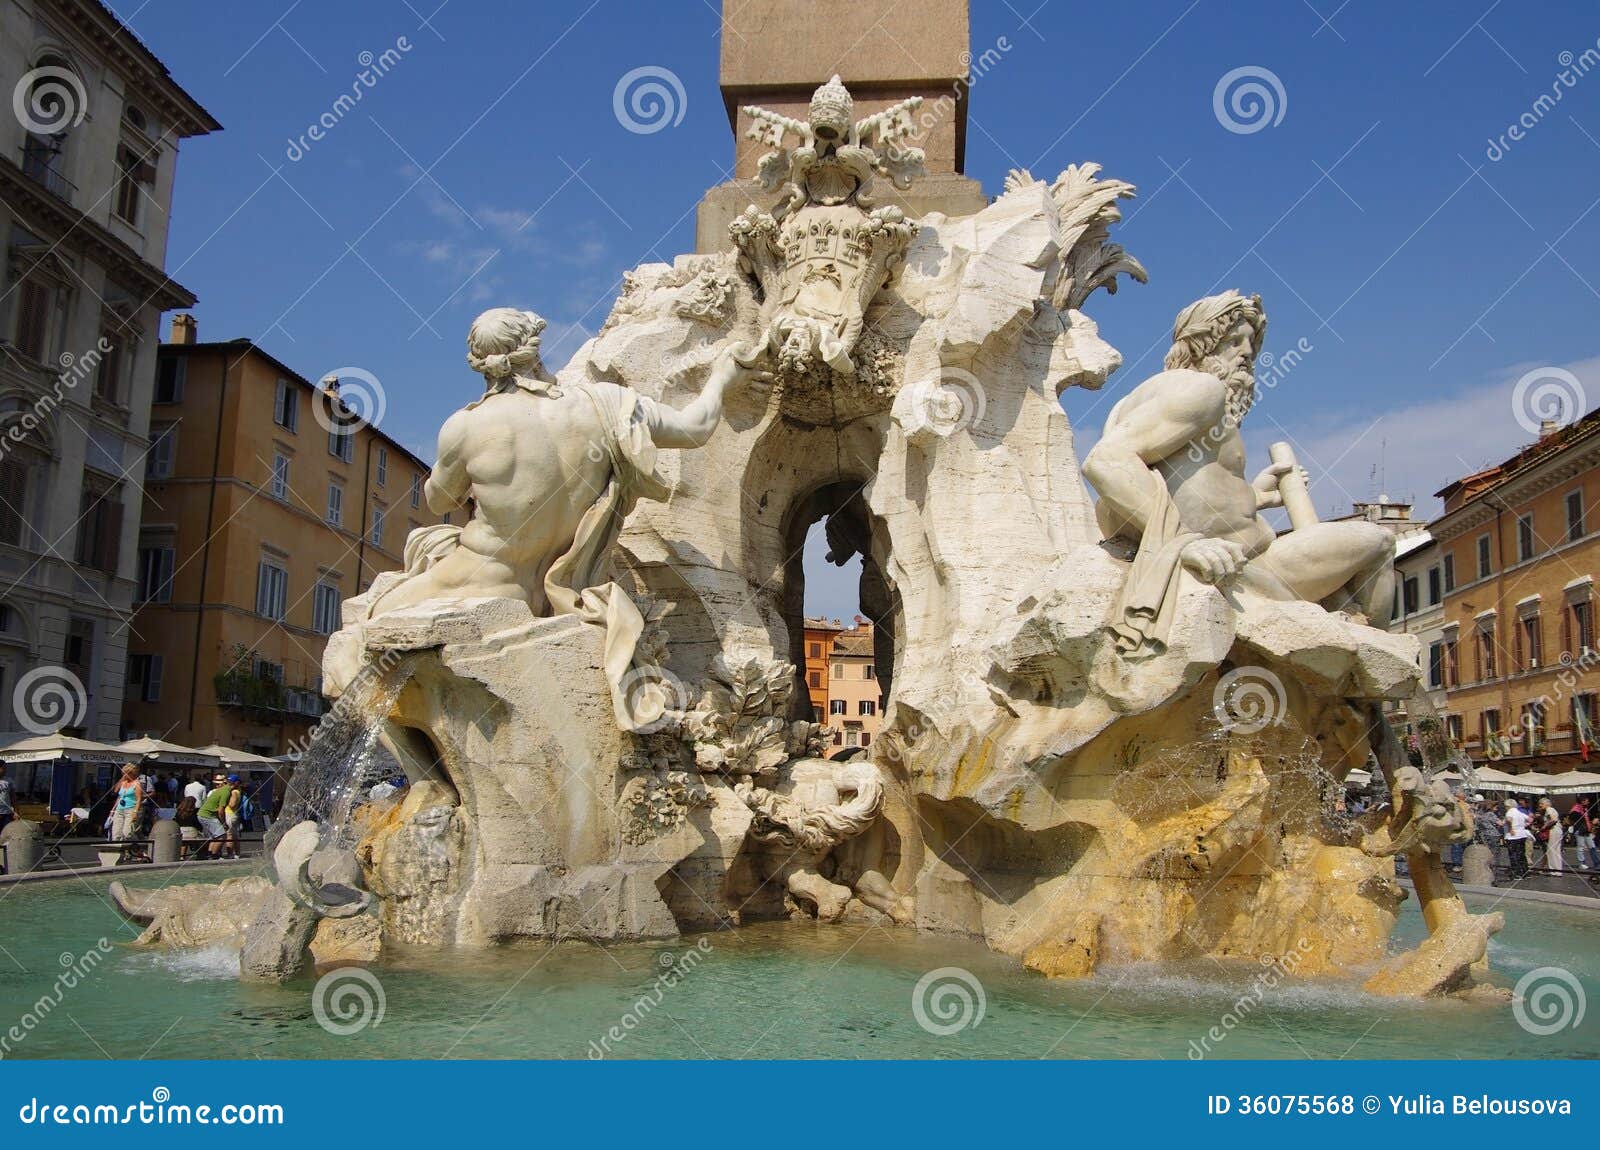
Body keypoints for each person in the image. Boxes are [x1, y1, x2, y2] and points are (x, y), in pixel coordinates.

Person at [109, 763, 146, 861]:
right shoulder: (123, 782)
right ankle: (118, 855)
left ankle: (140, 848)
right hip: (120, 809)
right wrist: (113, 809)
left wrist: (135, 812)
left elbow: (139, 799)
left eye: (126, 773)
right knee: (116, 833)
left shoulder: (137, 784)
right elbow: (116, 792)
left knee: (127, 833)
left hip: (131, 809)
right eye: (123, 773)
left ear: (132, 773)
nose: (124, 775)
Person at [196, 772, 233, 859]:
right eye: (216, 784)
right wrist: (224, 823)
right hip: (208, 815)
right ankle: (214, 855)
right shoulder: (225, 791)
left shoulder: (218, 791)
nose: (217, 786)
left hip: (204, 814)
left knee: (215, 836)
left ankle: (210, 854)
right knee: (221, 836)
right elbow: (221, 810)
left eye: (218, 784)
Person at [1503, 797, 1532, 880]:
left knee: (1513, 855)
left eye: (1505, 806)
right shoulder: (1519, 812)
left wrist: (1511, 829)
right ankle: (1525, 872)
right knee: (1522, 854)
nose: (1505, 808)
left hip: (1513, 836)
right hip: (1522, 835)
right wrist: (1523, 826)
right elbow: (1530, 820)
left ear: (1508, 806)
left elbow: (1508, 820)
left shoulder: (1510, 812)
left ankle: (1516, 873)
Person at [1537, 797, 1564, 871]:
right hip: (1558, 829)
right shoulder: (1551, 809)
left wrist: (1544, 826)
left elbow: (1553, 820)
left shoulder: (1549, 809)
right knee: (1556, 850)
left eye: (1541, 803)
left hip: (1553, 829)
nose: (1540, 805)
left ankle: (1554, 870)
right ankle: (1558, 869)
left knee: (1551, 850)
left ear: (1547, 804)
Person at [0, 762, 13, 836]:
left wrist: (16, 812)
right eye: (3, 768)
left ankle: (6, 848)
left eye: (6, 769)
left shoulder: (9, 780)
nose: (5, 770)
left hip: (6, 813)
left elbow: (13, 797)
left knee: (7, 834)